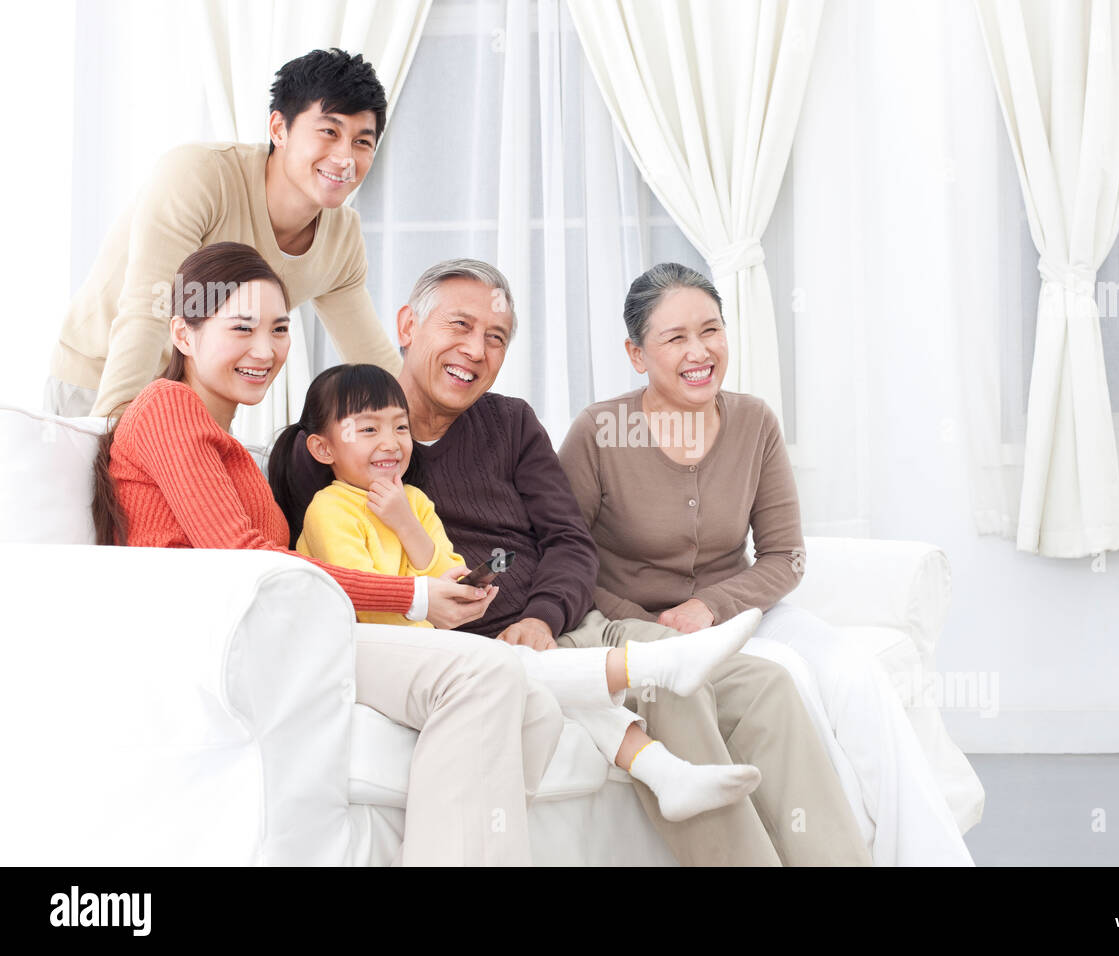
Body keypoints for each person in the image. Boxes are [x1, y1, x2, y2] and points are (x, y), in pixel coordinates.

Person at [285, 258, 874, 866]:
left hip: (571, 622)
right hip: (493, 647)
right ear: (408, 325)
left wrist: (543, 615)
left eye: (496, 337)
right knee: (670, 689)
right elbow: (318, 562)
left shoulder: (511, 424)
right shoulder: (346, 437)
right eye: (458, 326)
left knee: (766, 686)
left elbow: (570, 540)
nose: (475, 350)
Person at [90, 242, 562, 866]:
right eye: (243, 328)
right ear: (183, 332)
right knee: (482, 673)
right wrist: (416, 596)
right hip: (232, 642)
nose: (266, 350)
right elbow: (244, 557)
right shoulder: (167, 410)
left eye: (280, 329)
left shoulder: (223, 436)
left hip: (284, 630)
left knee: (538, 709)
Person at [556, 261, 980, 866]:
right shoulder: (600, 432)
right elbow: (566, 557)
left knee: (857, 678)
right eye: (675, 338)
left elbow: (785, 557)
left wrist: (710, 606)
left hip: (739, 610)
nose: (699, 351)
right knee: (792, 687)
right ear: (636, 352)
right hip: (640, 629)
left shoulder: (753, 420)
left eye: (711, 330)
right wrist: (653, 624)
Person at [271, 363, 766, 822]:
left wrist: (447, 572)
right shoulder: (329, 509)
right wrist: (431, 603)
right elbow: (369, 598)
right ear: (323, 448)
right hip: (385, 651)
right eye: (369, 429)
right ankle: (656, 667)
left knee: (552, 692)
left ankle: (666, 773)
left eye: (401, 427)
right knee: (522, 671)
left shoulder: (414, 501)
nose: (391, 442)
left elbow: (448, 570)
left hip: (434, 645)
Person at [49, 48, 400, 419]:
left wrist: (431, 433)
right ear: (279, 129)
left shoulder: (341, 239)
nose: (346, 158)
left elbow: (373, 362)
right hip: (101, 384)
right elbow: (147, 310)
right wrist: (117, 425)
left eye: (362, 142)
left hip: (193, 403)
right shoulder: (199, 176)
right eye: (329, 132)